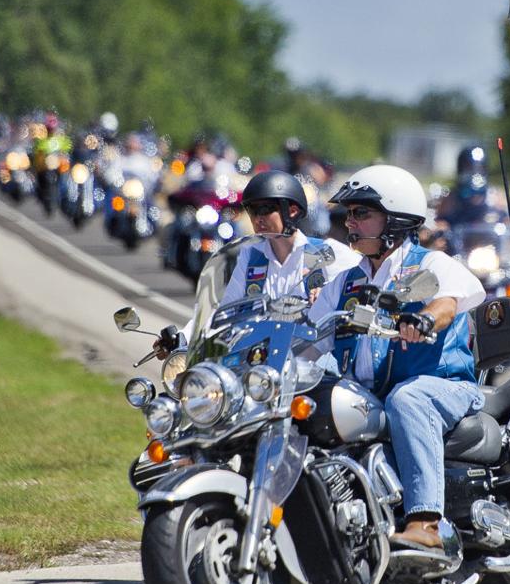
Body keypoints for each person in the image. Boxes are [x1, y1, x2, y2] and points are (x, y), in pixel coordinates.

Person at [307, 164, 487, 551]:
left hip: (442, 387)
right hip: (372, 392)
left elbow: (448, 302)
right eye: (349, 214)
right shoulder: (346, 281)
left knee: (407, 398)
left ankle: (425, 522)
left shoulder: (429, 264)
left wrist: (423, 319)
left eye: (362, 214)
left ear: (396, 219)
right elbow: (309, 336)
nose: (350, 222)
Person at [155, 170, 359, 349]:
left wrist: (332, 297)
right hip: (258, 364)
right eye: (252, 210)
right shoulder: (251, 256)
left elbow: (368, 282)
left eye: (265, 209)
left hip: (311, 366)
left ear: (292, 211)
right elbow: (225, 312)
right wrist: (183, 337)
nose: (257, 218)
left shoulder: (327, 253)